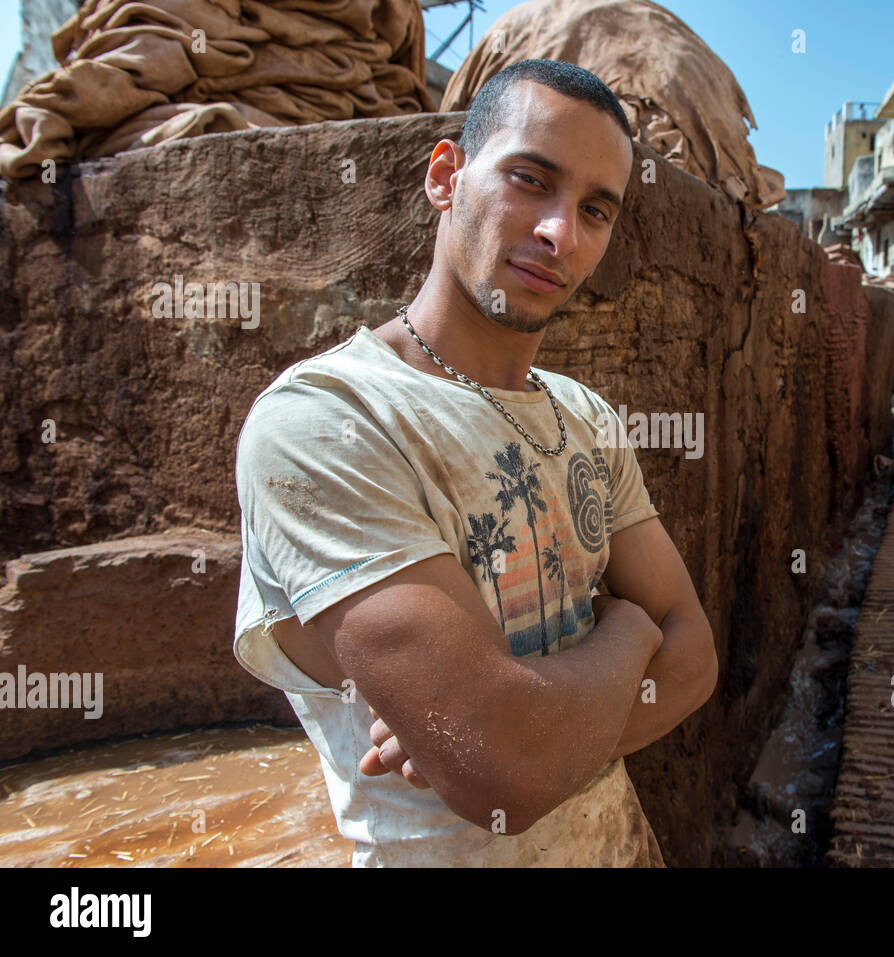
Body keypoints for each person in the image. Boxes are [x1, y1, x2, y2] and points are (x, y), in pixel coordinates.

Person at [232, 59, 718, 867]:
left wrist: (526, 731)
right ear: (446, 175)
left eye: (596, 210)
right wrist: (631, 627)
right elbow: (503, 772)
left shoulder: (586, 418)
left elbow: (695, 657)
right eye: (530, 179)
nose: (561, 233)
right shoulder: (328, 422)